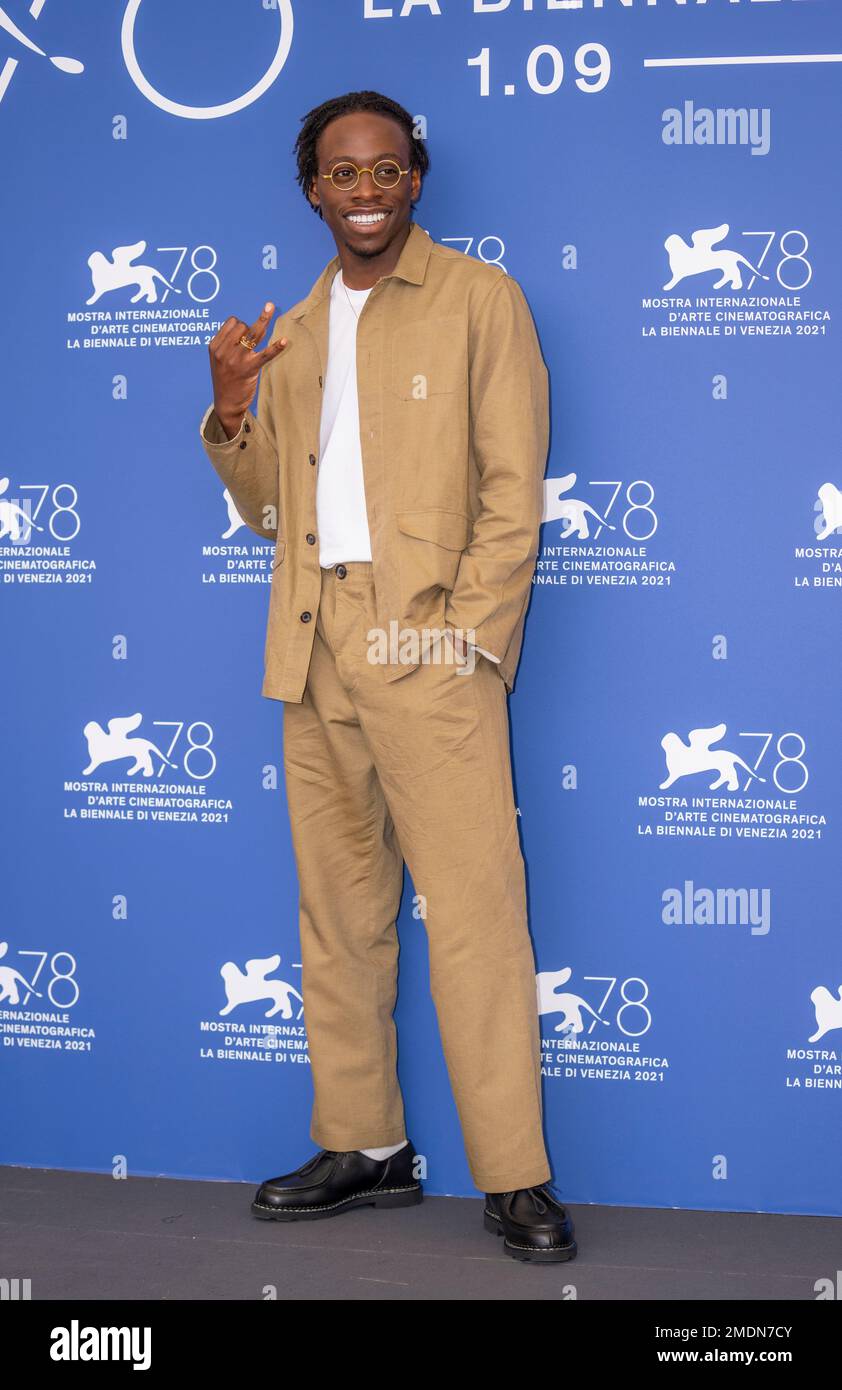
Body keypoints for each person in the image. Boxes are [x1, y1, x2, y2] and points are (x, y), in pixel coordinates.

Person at [199, 90, 576, 1264]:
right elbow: (266, 512)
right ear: (310, 189)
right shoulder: (292, 330)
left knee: (472, 917)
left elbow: (515, 492)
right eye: (338, 173)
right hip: (312, 643)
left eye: (382, 169)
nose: (362, 191)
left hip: (427, 643)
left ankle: (511, 1175)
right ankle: (365, 1146)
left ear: (415, 178)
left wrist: (464, 636)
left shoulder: (480, 299)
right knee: (339, 915)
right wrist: (228, 407)